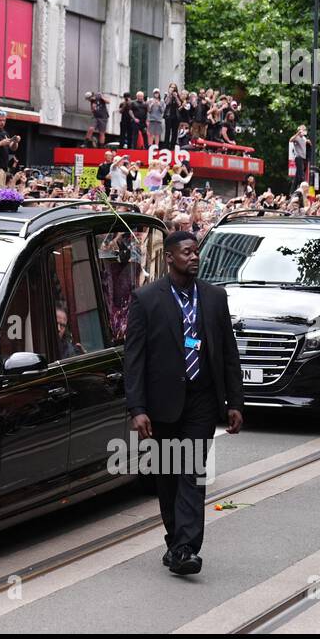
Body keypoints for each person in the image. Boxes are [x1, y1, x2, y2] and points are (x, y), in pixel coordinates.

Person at [123, 231, 244, 576]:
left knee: (190, 470)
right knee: (167, 476)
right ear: (171, 258)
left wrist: (235, 401)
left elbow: (228, 353)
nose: (194, 257)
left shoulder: (214, 297)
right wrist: (137, 408)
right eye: (187, 252)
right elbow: (134, 358)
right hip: (161, 404)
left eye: (196, 252)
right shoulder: (146, 299)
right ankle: (176, 541)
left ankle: (187, 547)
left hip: (201, 400)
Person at [289, 125, 310, 191]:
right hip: (298, 157)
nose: (304, 131)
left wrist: (308, 142)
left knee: (297, 176)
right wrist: (298, 133)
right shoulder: (297, 137)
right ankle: (303, 189)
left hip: (304, 158)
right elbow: (291, 140)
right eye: (302, 129)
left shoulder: (304, 138)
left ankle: (292, 191)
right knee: (301, 176)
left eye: (304, 129)